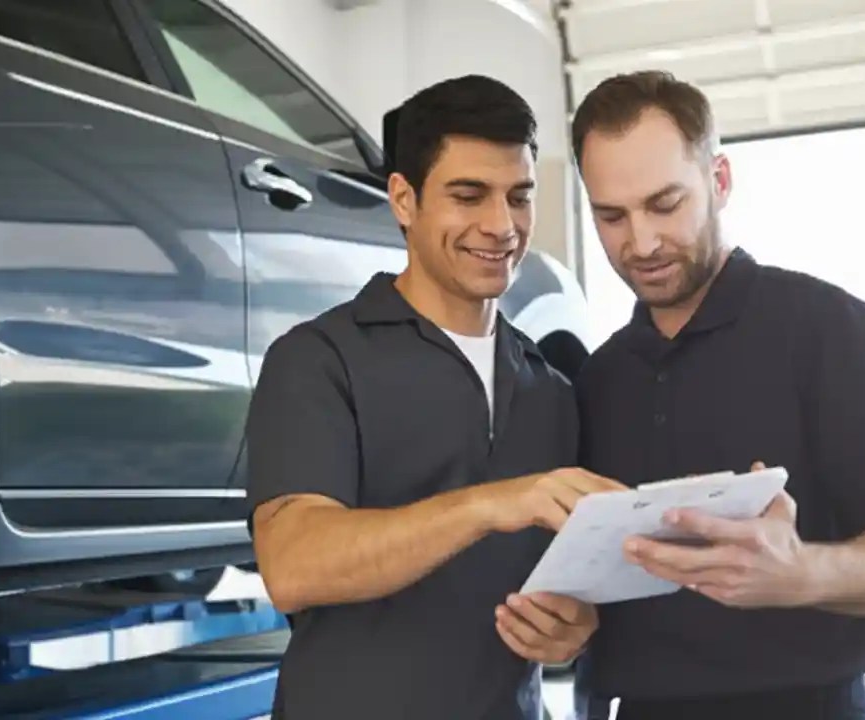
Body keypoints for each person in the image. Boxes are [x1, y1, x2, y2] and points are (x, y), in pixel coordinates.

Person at [569, 70, 865, 720]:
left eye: (666, 204)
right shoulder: (597, 379)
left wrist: (801, 572)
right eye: (612, 216)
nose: (639, 242)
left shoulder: (832, 330)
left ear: (719, 180)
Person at [246, 74, 622, 720]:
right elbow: (294, 564)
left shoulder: (550, 388)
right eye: (469, 195)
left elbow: (566, 585)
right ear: (403, 199)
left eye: (519, 197)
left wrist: (575, 626)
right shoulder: (318, 359)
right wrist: (487, 505)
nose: (501, 226)